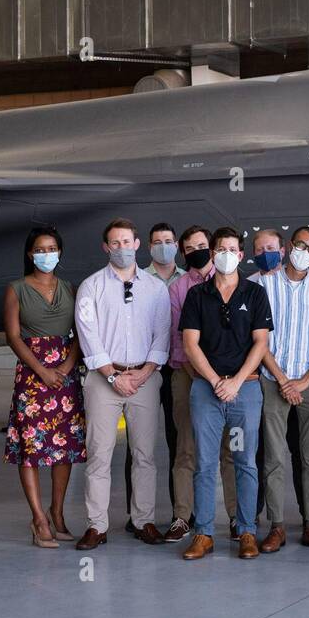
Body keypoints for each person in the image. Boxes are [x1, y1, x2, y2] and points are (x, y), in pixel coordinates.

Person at [73, 219, 171, 550]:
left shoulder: (156, 288)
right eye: (114, 243)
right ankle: (96, 526)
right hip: (104, 379)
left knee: (145, 454)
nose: (121, 248)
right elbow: (89, 337)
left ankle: (143, 520)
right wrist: (113, 376)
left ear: (137, 244)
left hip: (145, 377)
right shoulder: (91, 287)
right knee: (100, 454)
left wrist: (143, 374)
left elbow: (162, 334)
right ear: (106, 247)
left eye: (126, 241)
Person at [179, 227, 273, 560]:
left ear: (241, 255)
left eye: (232, 249)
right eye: (220, 249)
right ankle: (203, 533)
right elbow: (190, 344)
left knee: (244, 461)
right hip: (206, 393)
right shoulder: (197, 295)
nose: (226, 254)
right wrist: (216, 380)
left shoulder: (254, 293)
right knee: (204, 463)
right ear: (213, 254)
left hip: (244, 393)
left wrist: (235, 382)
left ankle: (247, 530)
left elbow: (261, 343)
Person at [255, 226, 309, 553]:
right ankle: (276, 526)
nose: (305, 251)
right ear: (290, 246)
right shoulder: (262, 286)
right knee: (274, 456)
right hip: (272, 379)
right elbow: (258, 339)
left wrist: (303, 380)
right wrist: (281, 379)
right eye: (301, 244)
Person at [3, 227, 86, 549]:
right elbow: (12, 335)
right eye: (40, 249)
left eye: (51, 248)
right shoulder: (17, 289)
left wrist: (65, 367)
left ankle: (58, 512)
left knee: (63, 448)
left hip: (65, 375)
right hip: (32, 376)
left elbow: (81, 330)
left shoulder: (69, 288)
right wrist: (41, 370)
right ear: (30, 254)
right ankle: (38, 518)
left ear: (60, 252)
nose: (46, 254)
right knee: (32, 449)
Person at [167, 225, 240, 542]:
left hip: (231, 380)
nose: (197, 251)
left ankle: (239, 518)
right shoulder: (179, 288)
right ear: (183, 252)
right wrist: (203, 375)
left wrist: (226, 379)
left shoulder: (239, 285)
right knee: (187, 448)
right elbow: (178, 338)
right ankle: (183, 516)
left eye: (202, 245)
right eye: (190, 247)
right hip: (189, 375)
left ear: (212, 250)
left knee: (231, 450)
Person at [123, 222, 183, 532]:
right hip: (142, 370)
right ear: (148, 246)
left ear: (176, 245)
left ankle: (180, 514)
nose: (163, 246)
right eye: (157, 241)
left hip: (177, 369)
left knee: (179, 442)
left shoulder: (189, 280)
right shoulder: (136, 281)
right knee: (138, 445)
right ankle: (138, 517)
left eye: (168, 241)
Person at [248, 229, 307, 526]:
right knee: (263, 452)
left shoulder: (303, 285)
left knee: (300, 451)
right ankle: (260, 514)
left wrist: (289, 380)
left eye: (270, 248)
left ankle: (308, 515)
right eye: (260, 249)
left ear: (282, 251)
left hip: (298, 379)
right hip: (262, 381)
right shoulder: (248, 286)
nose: (265, 253)